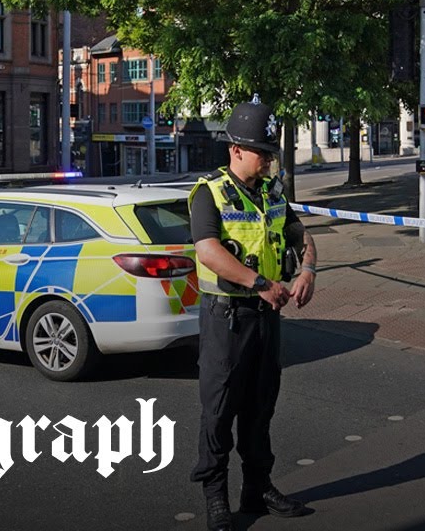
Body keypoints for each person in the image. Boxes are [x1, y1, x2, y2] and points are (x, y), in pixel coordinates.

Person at [189, 99, 317, 530]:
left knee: (261, 407)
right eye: (263, 153)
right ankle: (216, 498)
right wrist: (261, 285)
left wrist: (308, 271)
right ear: (236, 150)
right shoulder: (209, 193)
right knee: (220, 410)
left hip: (266, 319)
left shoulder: (272, 191)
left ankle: (257, 489)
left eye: (272, 153)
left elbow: (302, 236)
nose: (269, 160)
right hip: (227, 319)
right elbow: (208, 251)